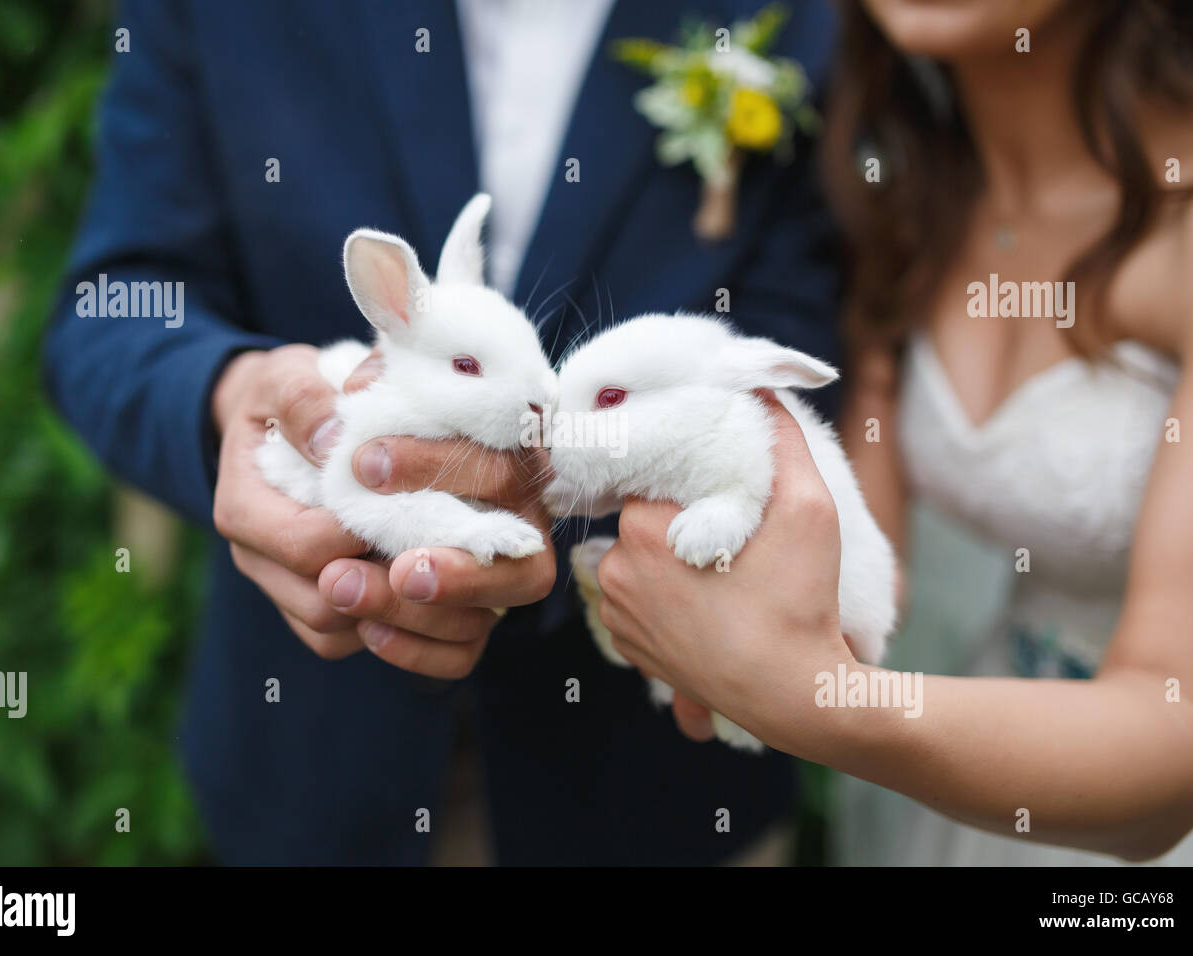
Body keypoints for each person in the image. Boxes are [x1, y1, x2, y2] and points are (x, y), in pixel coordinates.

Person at [42, 0, 841, 864]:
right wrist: (230, 396)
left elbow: (800, 342)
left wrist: (597, 513)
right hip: (315, 766)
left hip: (650, 789)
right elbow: (114, 305)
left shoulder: (792, 19)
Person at [595, 0, 1193, 863]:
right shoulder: (904, 193)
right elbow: (864, 570)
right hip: (982, 765)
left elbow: (1181, 725)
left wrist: (813, 696)